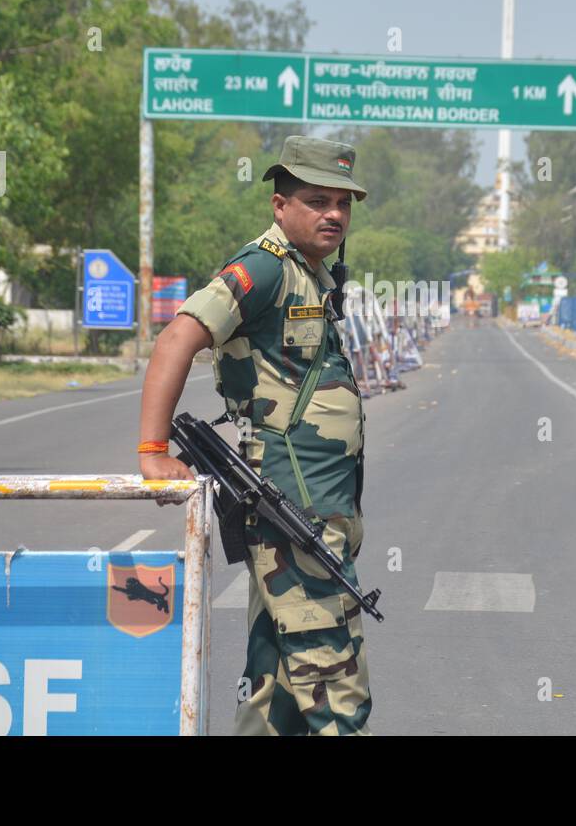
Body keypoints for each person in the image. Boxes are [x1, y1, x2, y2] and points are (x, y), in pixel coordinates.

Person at [137, 135, 372, 735]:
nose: (334, 214)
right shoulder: (265, 268)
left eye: (343, 203)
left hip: (312, 508)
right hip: (293, 510)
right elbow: (177, 339)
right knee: (336, 689)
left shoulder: (310, 273)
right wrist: (153, 451)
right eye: (317, 200)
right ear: (279, 205)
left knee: (275, 693)